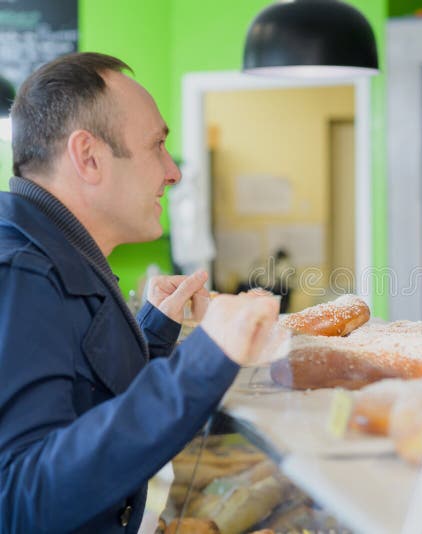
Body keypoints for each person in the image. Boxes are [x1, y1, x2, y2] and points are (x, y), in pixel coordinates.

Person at [0, 53, 280, 533]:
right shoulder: (19, 272)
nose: (172, 173)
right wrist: (207, 357)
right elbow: (22, 498)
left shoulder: (57, 251)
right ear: (88, 157)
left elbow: (84, 405)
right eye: (157, 146)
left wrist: (155, 332)